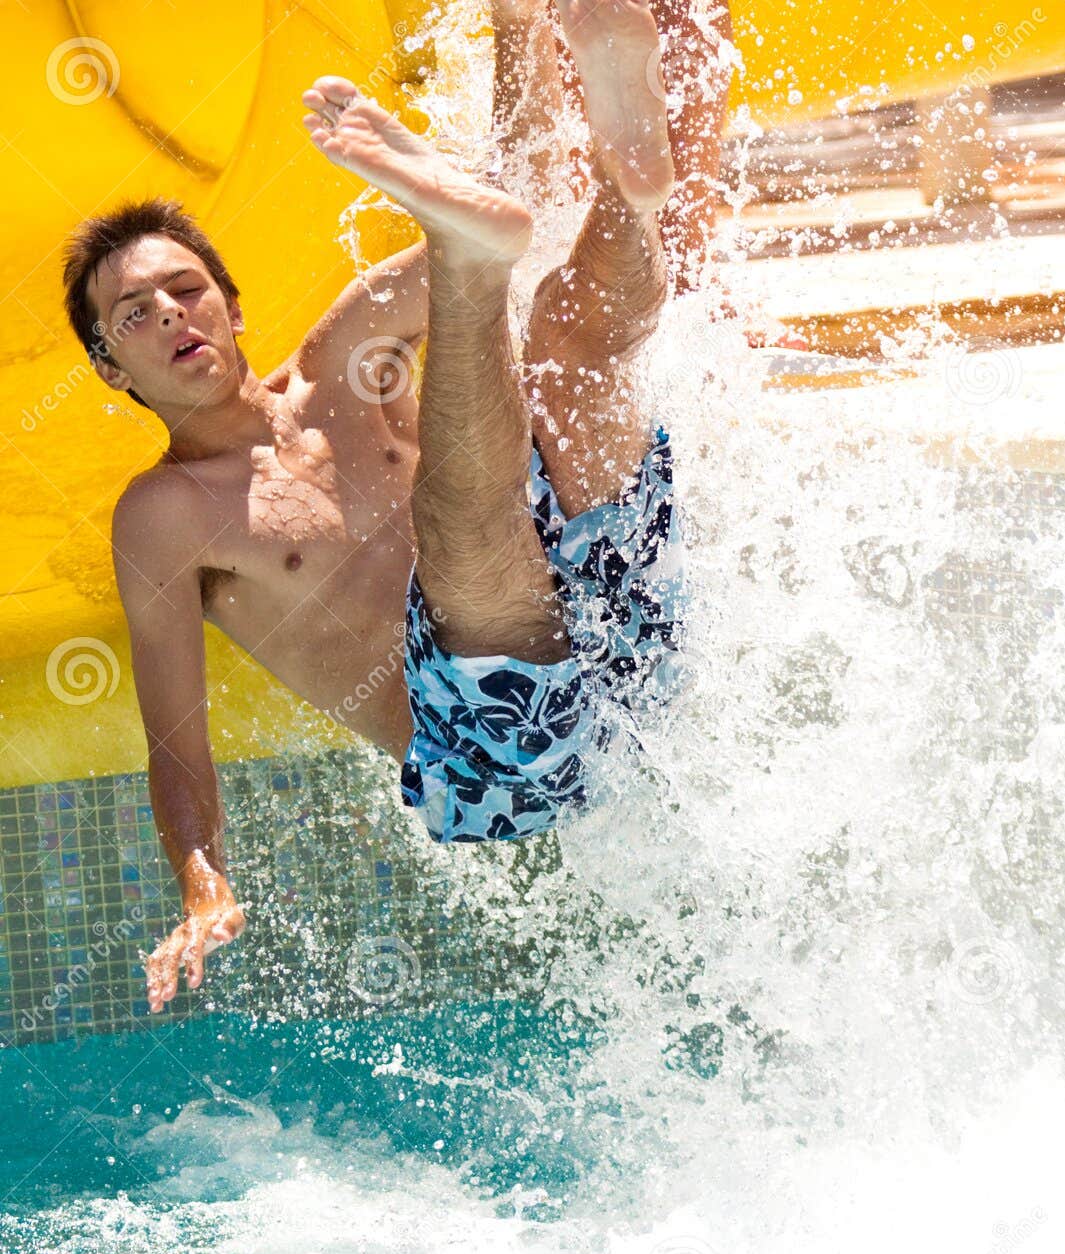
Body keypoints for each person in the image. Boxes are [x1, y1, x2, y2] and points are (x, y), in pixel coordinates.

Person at [60, 0, 704, 1014]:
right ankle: (470, 260)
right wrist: (202, 883)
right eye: (134, 316)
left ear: (230, 301)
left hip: (629, 651)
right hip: (498, 769)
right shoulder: (166, 516)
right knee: (463, 529)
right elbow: (175, 735)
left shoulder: (340, 354)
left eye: (186, 291)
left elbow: (514, 194)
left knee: (573, 343)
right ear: (112, 366)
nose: (171, 317)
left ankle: (635, 183)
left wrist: (513, 28)